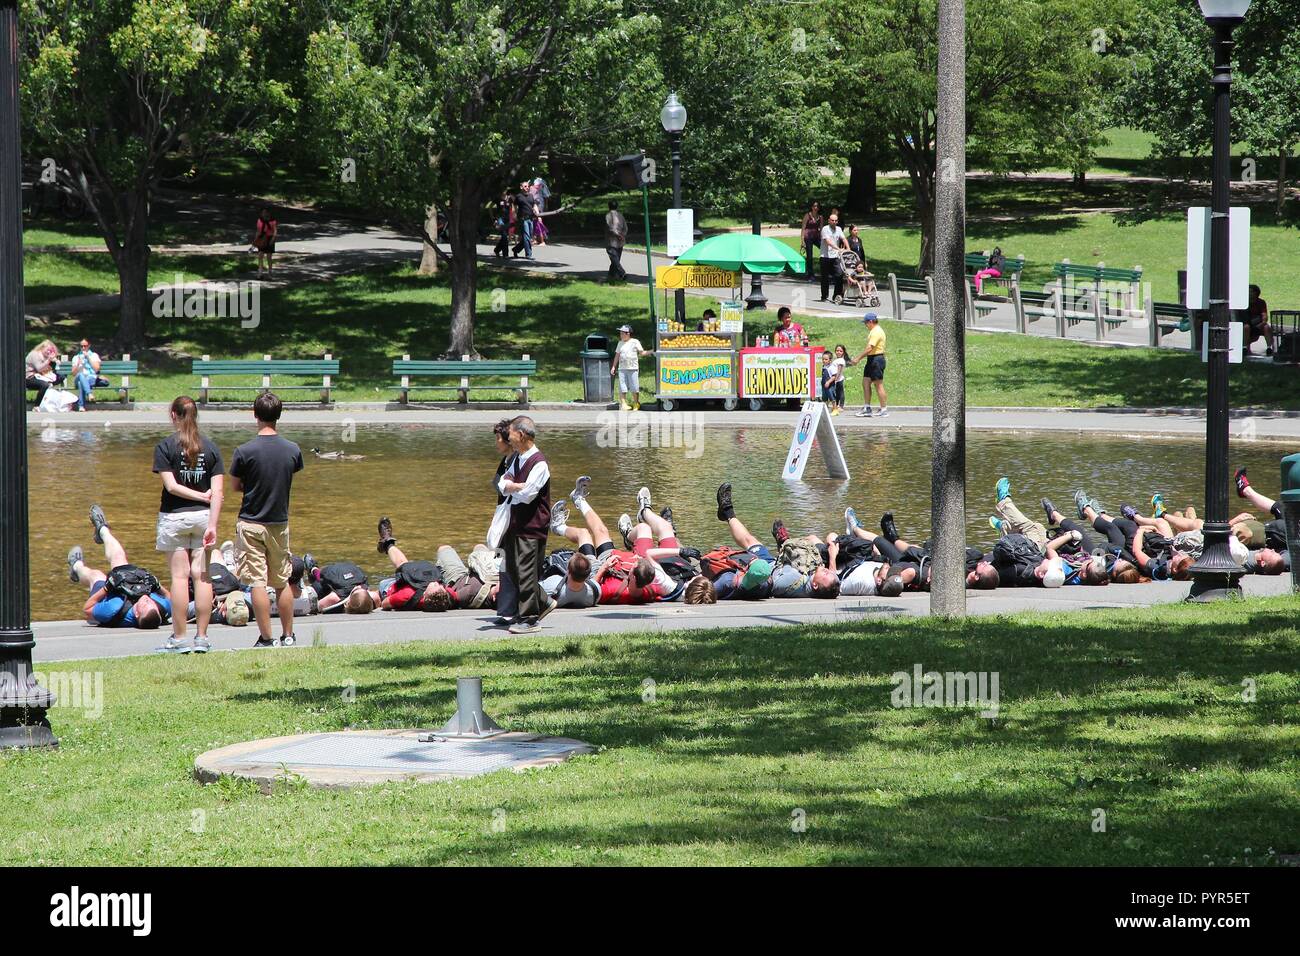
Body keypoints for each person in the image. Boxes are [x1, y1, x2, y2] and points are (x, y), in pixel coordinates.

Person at [229, 392, 304, 647]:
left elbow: (236, 486)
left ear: (255, 414)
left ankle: (266, 637)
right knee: (282, 581)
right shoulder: (293, 450)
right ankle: (289, 636)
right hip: (279, 523)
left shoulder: (244, 451)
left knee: (258, 582)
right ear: (279, 415)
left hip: (251, 522)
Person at [152, 396, 224, 653]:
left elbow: (171, 486)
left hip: (174, 518)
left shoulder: (165, 447)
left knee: (179, 578)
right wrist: (212, 523)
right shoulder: (212, 448)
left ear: (173, 415)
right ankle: (202, 638)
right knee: (202, 577)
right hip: (204, 519)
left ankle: (180, 638)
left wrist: (197, 495)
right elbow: (218, 494)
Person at [70, 506, 173, 632]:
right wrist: (158, 586)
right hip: (124, 590)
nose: (147, 599)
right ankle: (102, 531)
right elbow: (170, 598)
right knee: (119, 559)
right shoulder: (162, 608)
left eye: (146, 604)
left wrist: (107, 588)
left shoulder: (112, 609)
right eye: (152, 604)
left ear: (136, 614)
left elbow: (87, 609)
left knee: (96, 576)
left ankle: (76, 566)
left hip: (107, 597)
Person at [498, 416, 556, 633]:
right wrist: (513, 485)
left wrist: (512, 487)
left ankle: (530, 619)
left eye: (510, 433)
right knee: (512, 569)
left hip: (532, 527)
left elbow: (528, 495)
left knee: (526, 571)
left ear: (520, 435)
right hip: (515, 524)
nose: (508, 438)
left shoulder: (539, 463)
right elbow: (502, 483)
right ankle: (544, 601)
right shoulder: (516, 458)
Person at [373, 516, 497, 611]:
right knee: (476, 547)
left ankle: (387, 543)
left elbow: (386, 604)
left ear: (425, 595)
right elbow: (451, 595)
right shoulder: (448, 594)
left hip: (389, 588)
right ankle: (386, 543)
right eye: (439, 586)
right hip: (468, 577)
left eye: (434, 585)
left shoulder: (407, 595)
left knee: (404, 566)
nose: (434, 583)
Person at [852, 313, 888, 417]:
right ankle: (867, 407)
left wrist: (857, 358)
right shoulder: (874, 331)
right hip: (871, 359)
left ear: (871, 322)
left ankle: (884, 409)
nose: (865, 325)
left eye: (866, 323)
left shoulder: (876, 332)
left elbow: (869, 348)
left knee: (878, 384)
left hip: (876, 359)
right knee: (866, 382)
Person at [610, 324, 652, 411]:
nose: (620, 335)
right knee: (622, 386)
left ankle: (636, 403)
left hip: (633, 368)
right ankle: (623, 404)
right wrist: (613, 366)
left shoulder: (635, 342)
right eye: (620, 333)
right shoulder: (620, 343)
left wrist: (652, 351)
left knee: (634, 386)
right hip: (622, 368)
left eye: (622, 333)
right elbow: (617, 355)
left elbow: (642, 353)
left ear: (628, 334)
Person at [25, 339, 63, 407]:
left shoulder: (46, 356)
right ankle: (37, 406)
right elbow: (39, 369)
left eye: (51, 351)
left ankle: (49, 388)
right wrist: (48, 360)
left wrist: (54, 362)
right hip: (29, 378)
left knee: (61, 377)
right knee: (45, 385)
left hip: (41, 376)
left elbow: (51, 371)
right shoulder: (34, 354)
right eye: (47, 350)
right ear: (42, 348)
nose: (49, 352)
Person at [819, 210, 846, 303]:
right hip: (825, 257)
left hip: (835, 257)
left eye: (836, 221)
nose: (834, 222)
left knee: (839, 275)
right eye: (832, 220)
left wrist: (849, 248)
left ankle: (836, 296)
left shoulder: (839, 229)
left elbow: (844, 238)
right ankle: (824, 296)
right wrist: (838, 248)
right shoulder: (825, 229)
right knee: (825, 278)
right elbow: (828, 242)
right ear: (829, 221)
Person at [70, 338, 104, 411]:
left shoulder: (94, 355)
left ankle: (81, 406)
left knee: (81, 383)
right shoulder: (76, 357)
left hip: (91, 378)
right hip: (78, 377)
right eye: (81, 346)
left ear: (89, 346)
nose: (83, 348)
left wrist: (88, 358)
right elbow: (73, 373)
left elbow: (97, 369)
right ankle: (89, 394)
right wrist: (78, 364)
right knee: (81, 375)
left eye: (85, 346)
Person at [1244, 284, 1276, 357]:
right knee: (1246, 327)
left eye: (1251, 291)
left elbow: (1264, 315)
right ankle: (1245, 348)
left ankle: (1269, 348)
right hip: (1247, 325)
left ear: (1256, 293)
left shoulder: (1261, 302)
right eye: (1248, 291)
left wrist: (1262, 323)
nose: (1249, 293)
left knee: (1266, 327)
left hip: (1259, 324)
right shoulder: (1244, 302)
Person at [605, 200, 628, 282]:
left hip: (611, 241)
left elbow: (610, 228)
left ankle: (622, 273)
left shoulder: (608, 216)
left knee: (615, 260)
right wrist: (622, 235)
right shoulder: (621, 215)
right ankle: (611, 277)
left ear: (609, 206)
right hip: (621, 241)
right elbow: (625, 227)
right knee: (615, 259)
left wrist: (618, 235)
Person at [511, 182, 535, 259]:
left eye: (528, 186)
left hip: (530, 219)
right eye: (525, 186)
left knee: (528, 237)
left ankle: (515, 249)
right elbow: (514, 205)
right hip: (523, 219)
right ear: (521, 187)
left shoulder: (531, 196)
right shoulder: (519, 196)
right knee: (527, 236)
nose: (527, 187)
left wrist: (538, 214)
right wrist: (514, 214)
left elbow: (534, 205)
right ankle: (528, 254)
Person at [253, 206, 277, 276]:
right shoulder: (259, 220)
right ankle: (260, 272)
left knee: (269, 256)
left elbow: (275, 231)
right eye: (263, 213)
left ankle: (270, 272)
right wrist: (255, 240)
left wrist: (273, 239)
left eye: (266, 212)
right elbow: (258, 230)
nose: (264, 214)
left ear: (269, 213)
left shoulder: (273, 221)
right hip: (261, 238)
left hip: (270, 238)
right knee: (260, 255)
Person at [800, 201, 822, 281]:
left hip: (816, 236)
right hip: (808, 237)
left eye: (817, 206)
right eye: (814, 206)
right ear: (811, 207)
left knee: (824, 250)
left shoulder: (820, 217)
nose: (815, 208)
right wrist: (802, 240)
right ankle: (810, 274)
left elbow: (821, 228)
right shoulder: (807, 215)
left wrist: (823, 238)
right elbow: (803, 228)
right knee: (809, 256)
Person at [493, 190, 513, 258]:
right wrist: (493, 218)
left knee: (504, 237)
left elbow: (512, 207)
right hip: (500, 219)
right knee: (504, 236)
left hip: (507, 219)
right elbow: (490, 207)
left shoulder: (509, 198)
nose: (504, 191)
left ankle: (497, 250)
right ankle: (505, 254)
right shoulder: (498, 199)